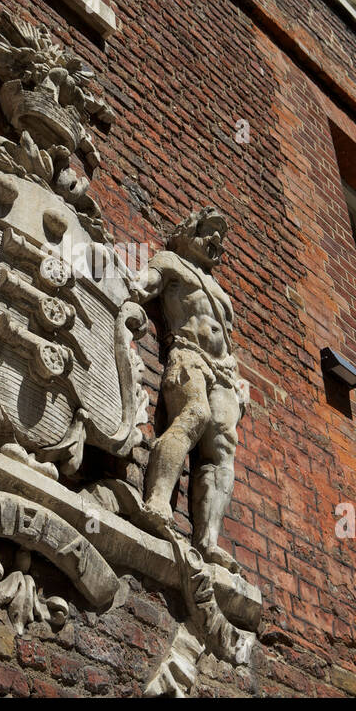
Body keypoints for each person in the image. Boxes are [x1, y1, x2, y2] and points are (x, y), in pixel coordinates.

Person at [133, 208, 248, 573]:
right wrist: (130, 293)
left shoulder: (224, 297)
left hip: (224, 374)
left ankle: (208, 541)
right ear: (190, 230)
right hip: (188, 354)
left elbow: (228, 343)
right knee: (194, 414)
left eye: (222, 238)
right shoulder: (171, 262)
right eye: (211, 231)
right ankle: (157, 502)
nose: (217, 241)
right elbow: (144, 285)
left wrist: (238, 383)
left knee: (222, 447)